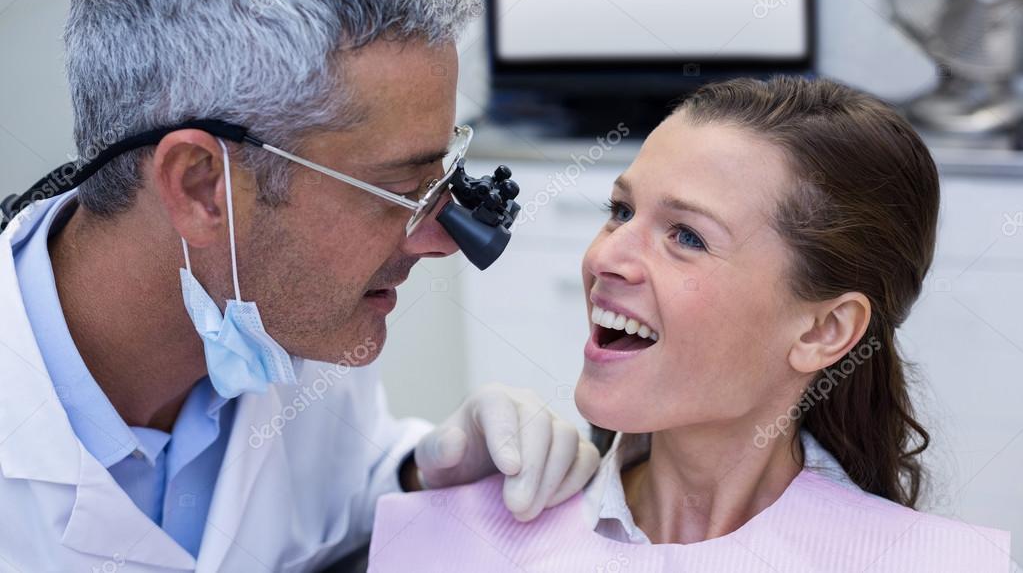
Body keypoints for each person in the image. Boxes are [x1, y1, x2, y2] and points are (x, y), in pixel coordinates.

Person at [0, 0, 600, 571]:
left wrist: (418, 474)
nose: (438, 240)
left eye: (441, 183)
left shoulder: (276, 324)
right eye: (402, 192)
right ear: (202, 187)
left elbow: (333, 498)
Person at [368, 77, 1013, 572]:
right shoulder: (459, 540)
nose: (605, 258)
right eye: (621, 210)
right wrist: (423, 477)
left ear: (824, 331)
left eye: (686, 236)